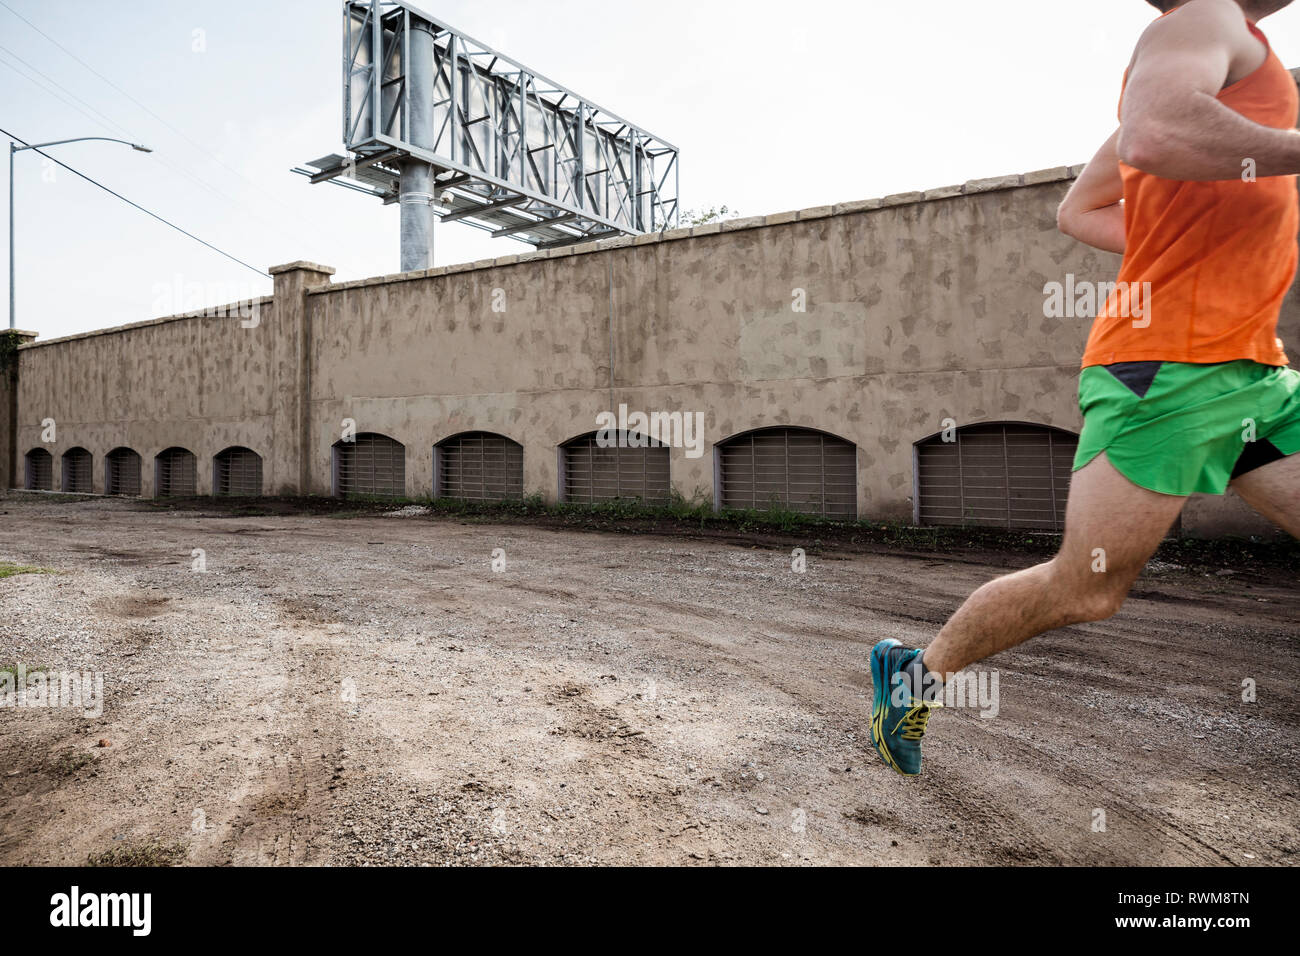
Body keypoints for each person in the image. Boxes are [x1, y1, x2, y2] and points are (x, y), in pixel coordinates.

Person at [871, 0, 1300, 776]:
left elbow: (1082, 207)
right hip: (1168, 372)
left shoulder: (1229, 61)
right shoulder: (1204, 20)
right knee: (1088, 588)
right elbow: (1155, 135)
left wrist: (1189, 239)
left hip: (1257, 373)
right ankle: (914, 670)